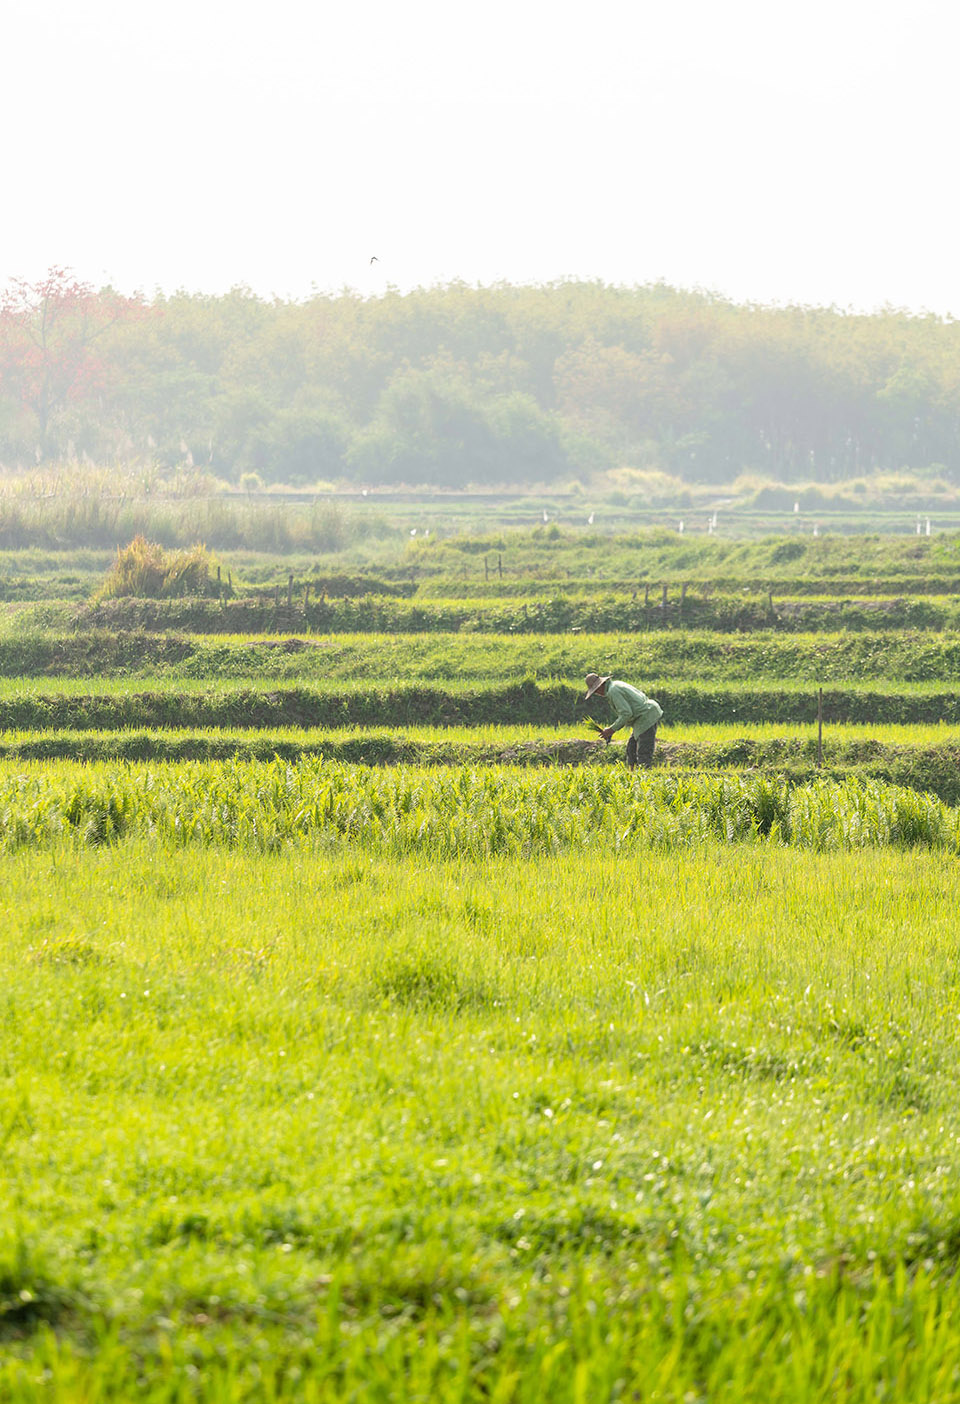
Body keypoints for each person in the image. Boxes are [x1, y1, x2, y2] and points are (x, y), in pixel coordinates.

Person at [584, 672, 663, 769]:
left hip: (646, 716)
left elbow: (626, 714)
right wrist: (611, 730)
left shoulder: (613, 691)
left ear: (600, 686)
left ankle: (645, 777)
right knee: (631, 750)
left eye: (595, 691)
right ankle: (632, 776)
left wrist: (611, 729)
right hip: (641, 718)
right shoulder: (615, 685)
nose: (597, 694)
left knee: (643, 753)